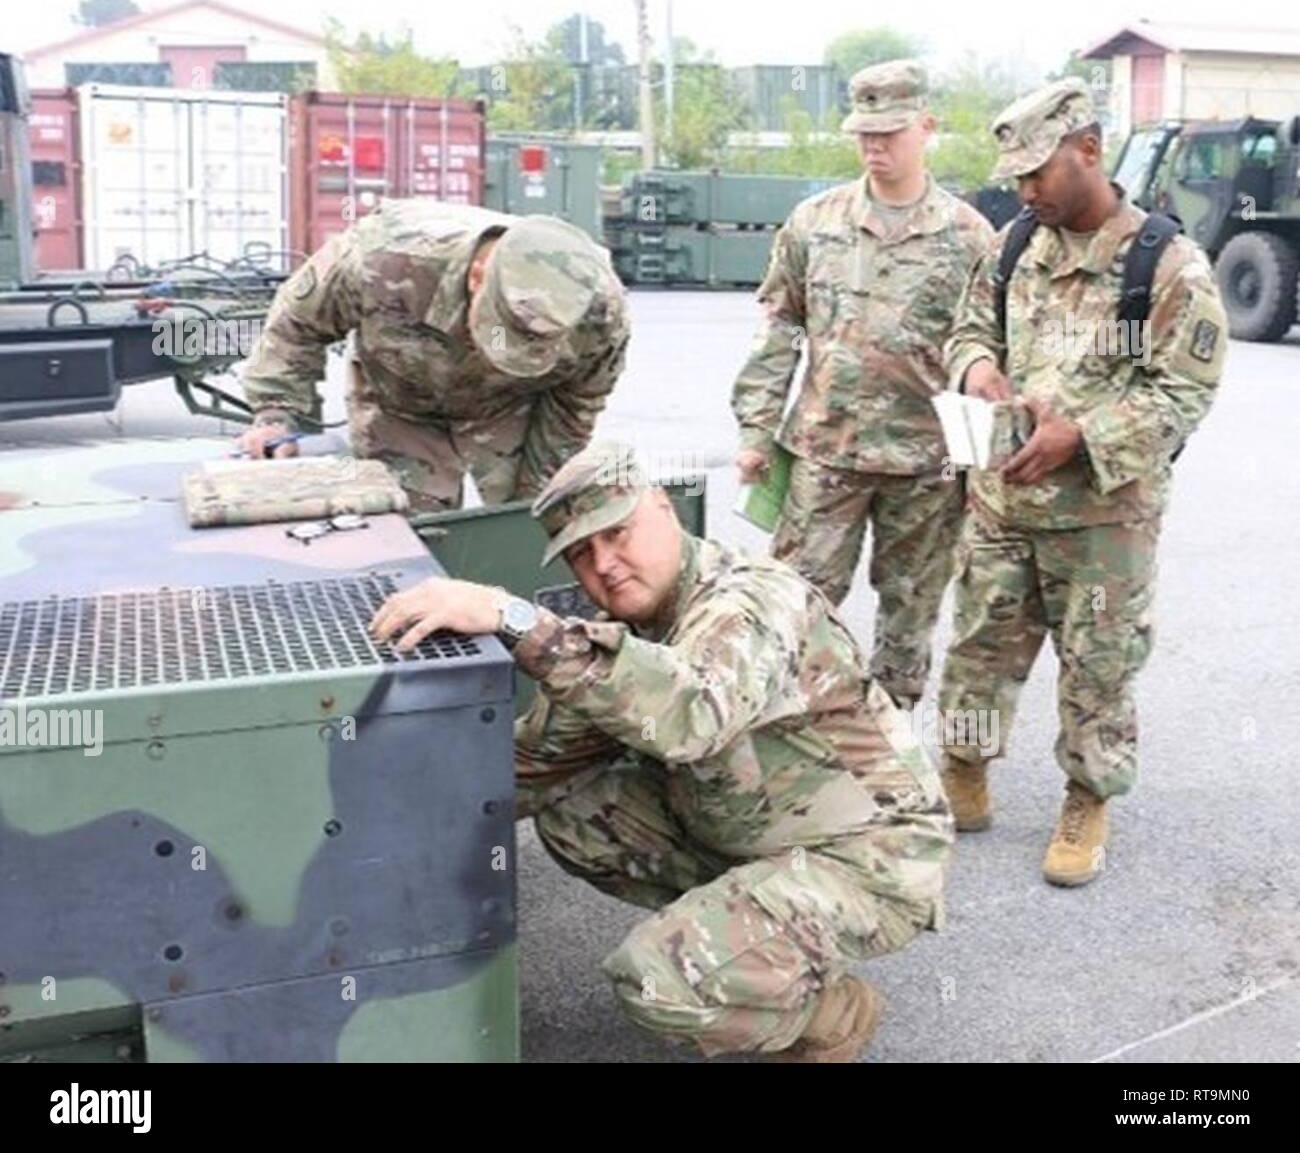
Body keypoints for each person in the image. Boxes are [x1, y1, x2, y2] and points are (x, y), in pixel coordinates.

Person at [370, 441, 953, 1061]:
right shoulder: (632, 630)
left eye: (617, 533)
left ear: (663, 508)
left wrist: (512, 618)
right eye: (581, 554)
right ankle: (754, 940)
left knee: (655, 980)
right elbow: (535, 768)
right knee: (577, 814)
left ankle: (830, 1014)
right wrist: (378, 825)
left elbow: (690, 714)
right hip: (763, 832)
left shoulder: (751, 600)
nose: (606, 564)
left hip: (872, 858)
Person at [937, 77, 1227, 886]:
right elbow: (966, 327)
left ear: (1089, 151)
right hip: (1002, 503)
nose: (1025, 190)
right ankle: (963, 769)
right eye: (1017, 178)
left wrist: (1082, 436)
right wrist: (979, 368)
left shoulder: (1165, 263)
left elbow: (1185, 390)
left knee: (1099, 666)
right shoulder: (1013, 245)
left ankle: (1087, 796)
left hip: (1105, 521)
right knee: (975, 651)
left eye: (1039, 172)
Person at [732, 59, 993, 708]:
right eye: (864, 134)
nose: (875, 146)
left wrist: (980, 465)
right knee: (794, 602)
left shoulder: (969, 237)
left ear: (926, 127)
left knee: (909, 615)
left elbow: (985, 355)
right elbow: (780, 331)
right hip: (828, 453)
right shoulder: (815, 222)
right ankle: (787, 732)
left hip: (926, 465)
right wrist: (756, 429)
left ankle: (889, 745)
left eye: (891, 133)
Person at [238, 199, 629, 513]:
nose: (504, 355)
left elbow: (574, 404)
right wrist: (277, 415)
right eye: (503, 332)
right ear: (478, 276)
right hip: (401, 409)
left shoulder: (599, 311)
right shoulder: (384, 258)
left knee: (529, 528)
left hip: (510, 410)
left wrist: (533, 499)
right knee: (407, 540)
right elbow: (296, 326)